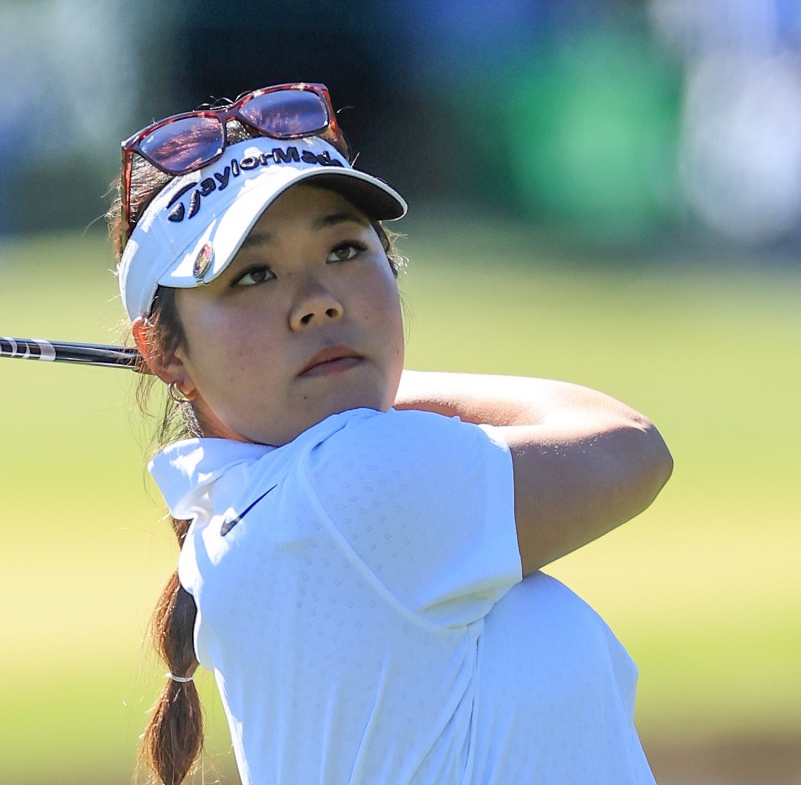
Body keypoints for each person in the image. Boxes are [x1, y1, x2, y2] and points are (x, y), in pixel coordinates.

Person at [107, 83, 674, 784]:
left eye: (344, 251)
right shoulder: (346, 486)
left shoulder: (256, 510)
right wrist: (369, 382)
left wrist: (345, 381)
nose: (318, 303)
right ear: (164, 354)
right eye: (253, 275)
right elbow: (627, 444)